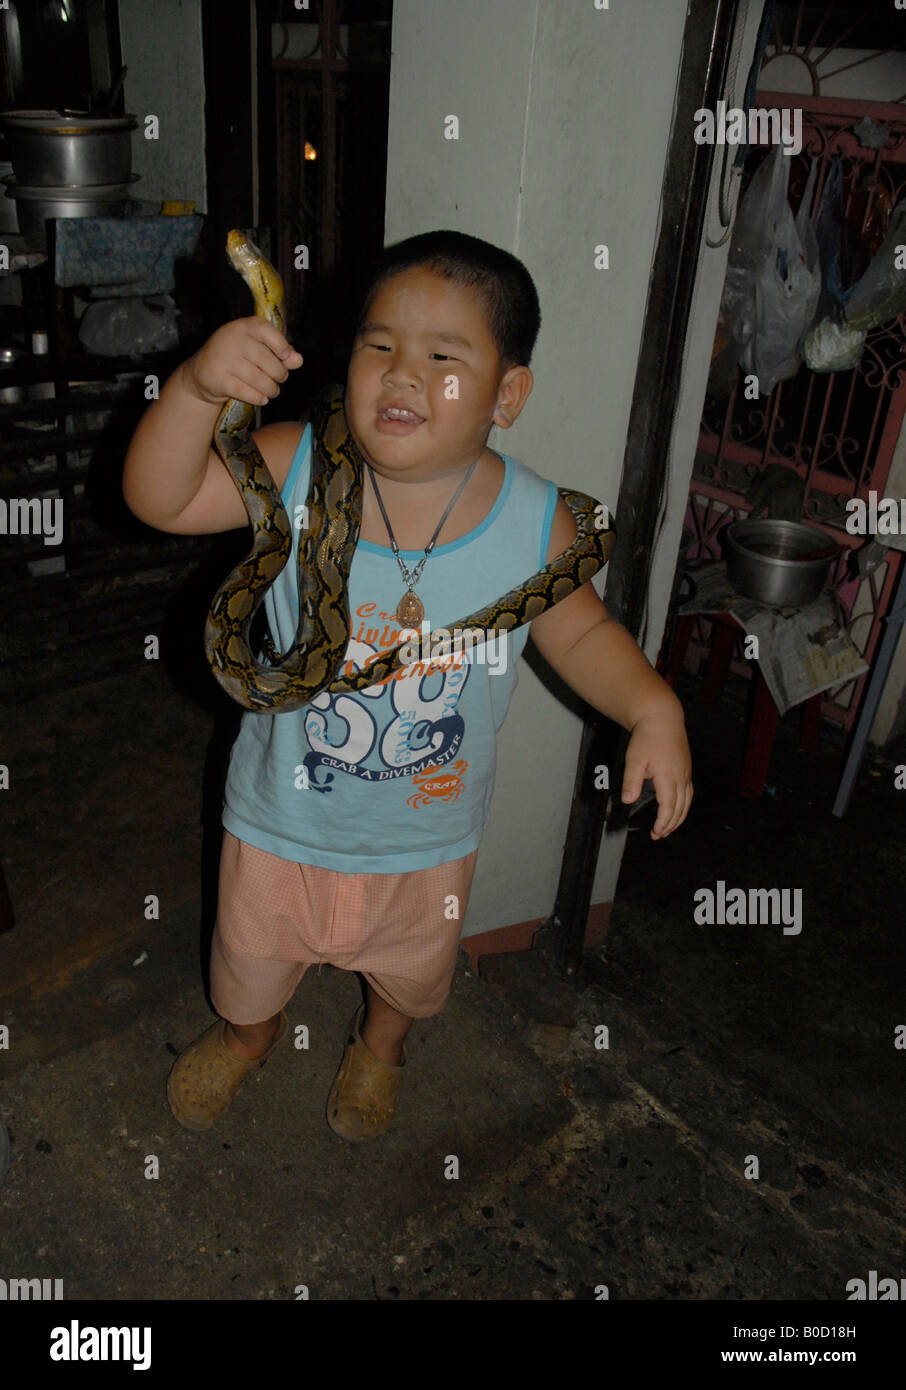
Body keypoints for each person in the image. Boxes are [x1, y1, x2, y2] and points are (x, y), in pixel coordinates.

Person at [122, 230, 692, 1143]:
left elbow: (580, 629)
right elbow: (162, 498)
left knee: (411, 974)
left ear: (507, 394)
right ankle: (247, 1034)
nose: (399, 374)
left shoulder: (536, 523)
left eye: (442, 357)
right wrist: (197, 390)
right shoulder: (297, 467)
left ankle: (380, 1049)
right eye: (378, 345)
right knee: (252, 957)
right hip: (279, 820)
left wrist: (652, 705)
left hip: (425, 833)